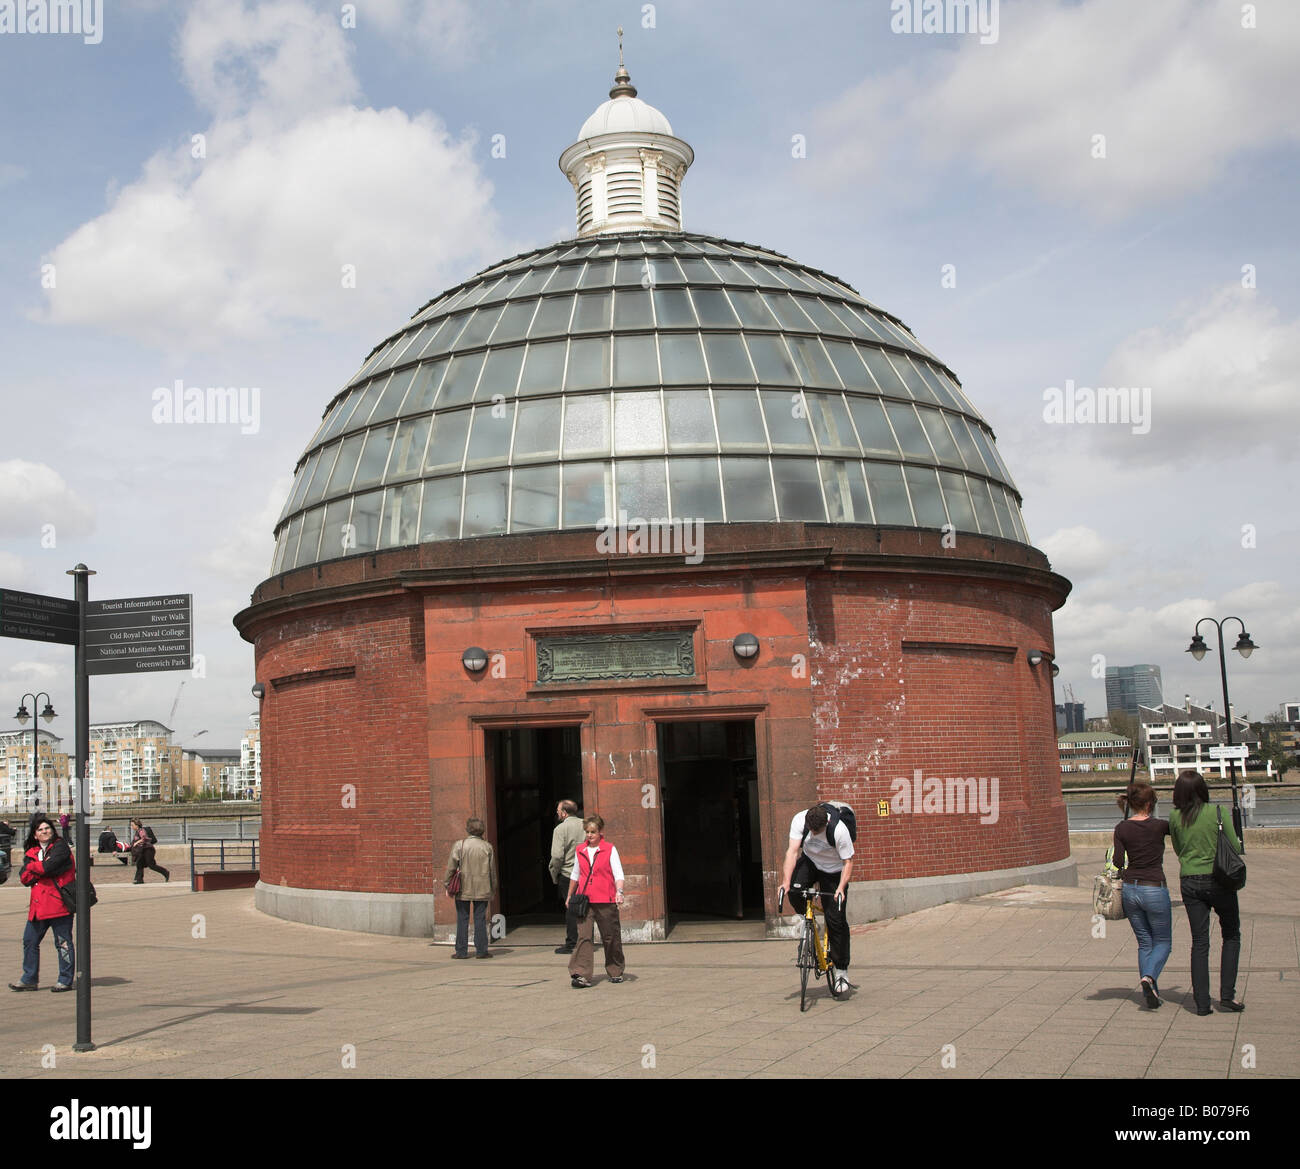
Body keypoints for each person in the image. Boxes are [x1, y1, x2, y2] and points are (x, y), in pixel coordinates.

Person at [1169, 770, 1245, 1015]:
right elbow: (1234, 845)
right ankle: (1227, 996)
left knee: (1200, 942)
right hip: (1219, 881)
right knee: (1231, 934)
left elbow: (1179, 850)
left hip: (1190, 881)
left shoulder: (1174, 817)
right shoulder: (1218, 813)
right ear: (1203, 789)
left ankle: (1201, 1003)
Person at [778, 804, 854, 992]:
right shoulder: (799, 820)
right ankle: (808, 919)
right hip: (811, 862)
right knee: (794, 891)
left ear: (826, 823)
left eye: (816, 831)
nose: (813, 833)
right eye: (811, 830)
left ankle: (841, 972)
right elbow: (792, 851)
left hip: (834, 870)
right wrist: (786, 881)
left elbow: (848, 862)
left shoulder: (839, 830)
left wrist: (841, 888)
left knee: (835, 920)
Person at [1112, 782, 1171, 1009]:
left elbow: (1118, 861)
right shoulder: (1159, 826)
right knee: (1163, 941)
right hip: (1154, 886)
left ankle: (1152, 994)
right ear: (1149, 803)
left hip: (1130, 888)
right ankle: (1149, 977)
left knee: (1144, 942)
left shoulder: (1122, 827)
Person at [8, 816, 75, 993]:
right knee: (29, 941)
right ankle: (29, 978)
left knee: (63, 943)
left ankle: (65, 979)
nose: (45, 831)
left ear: (52, 830)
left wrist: (35, 868)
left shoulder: (61, 848)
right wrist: (38, 868)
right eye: (40, 830)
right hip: (38, 907)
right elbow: (24, 878)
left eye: (47, 828)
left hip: (59, 905)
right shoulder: (32, 852)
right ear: (35, 835)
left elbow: (49, 867)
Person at [566, 815, 625, 988]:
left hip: (605, 900)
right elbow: (575, 874)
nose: (589, 835)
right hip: (585, 900)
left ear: (600, 832)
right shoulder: (580, 850)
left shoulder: (609, 849)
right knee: (584, 936)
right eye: (587, 832)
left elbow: (618, 874)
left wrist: (619, 892)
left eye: (593, 832)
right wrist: (570, 895)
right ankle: (582, 974)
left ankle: (615, 970)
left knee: (610, 936)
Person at [444, 818, 498, 959]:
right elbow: (492, 871)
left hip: (463, 887)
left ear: (468, 829)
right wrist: (493, 887)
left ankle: (461, 951)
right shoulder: (487, 847)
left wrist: (447, 884)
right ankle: (481, 950)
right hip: (483, 887)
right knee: (480, 919)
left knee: (462, 918)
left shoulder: (459, 845)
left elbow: (451, 867)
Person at [549, 799, 584, 955]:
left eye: (558, 810)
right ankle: (585, 940)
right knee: (585, 907)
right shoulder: (586, 825)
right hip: (585, 873)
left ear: (564, 812)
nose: (557, 813)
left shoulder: (560, 829)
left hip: (567, 873)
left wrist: (553, 872)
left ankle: (571, 943)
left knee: (570, 908)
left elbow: (557, 856)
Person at [128, 818, 170, 884]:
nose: (132, 827)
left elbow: (144, 838)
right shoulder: (137, 832)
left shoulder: (141, 830)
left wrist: (137, 843)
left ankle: (165, 872)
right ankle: (139, 879)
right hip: (143, 850)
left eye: (132, 825)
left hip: (148, 850)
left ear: (137, 825)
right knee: (139, 864)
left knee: (151, 865)